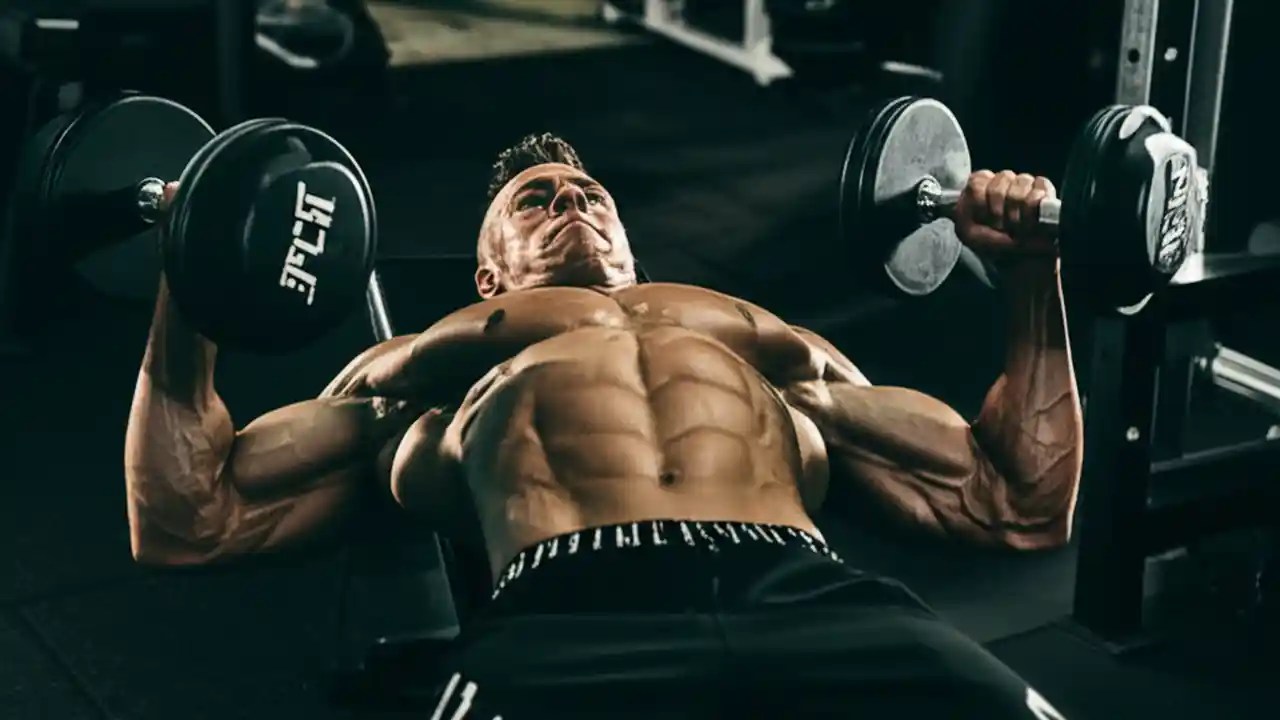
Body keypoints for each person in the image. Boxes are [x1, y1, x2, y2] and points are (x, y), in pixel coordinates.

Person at [124, 132, 1081, 719]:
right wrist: (192, 272)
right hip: (570, 618)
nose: (570, 203)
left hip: (811, 595)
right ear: (488, 276)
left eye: (588, 195)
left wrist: (1033, 273)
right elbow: (189, 519)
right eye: (534, 201)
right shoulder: (424, 362)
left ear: (627, 240)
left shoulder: (769, 344)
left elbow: (1016, 502)